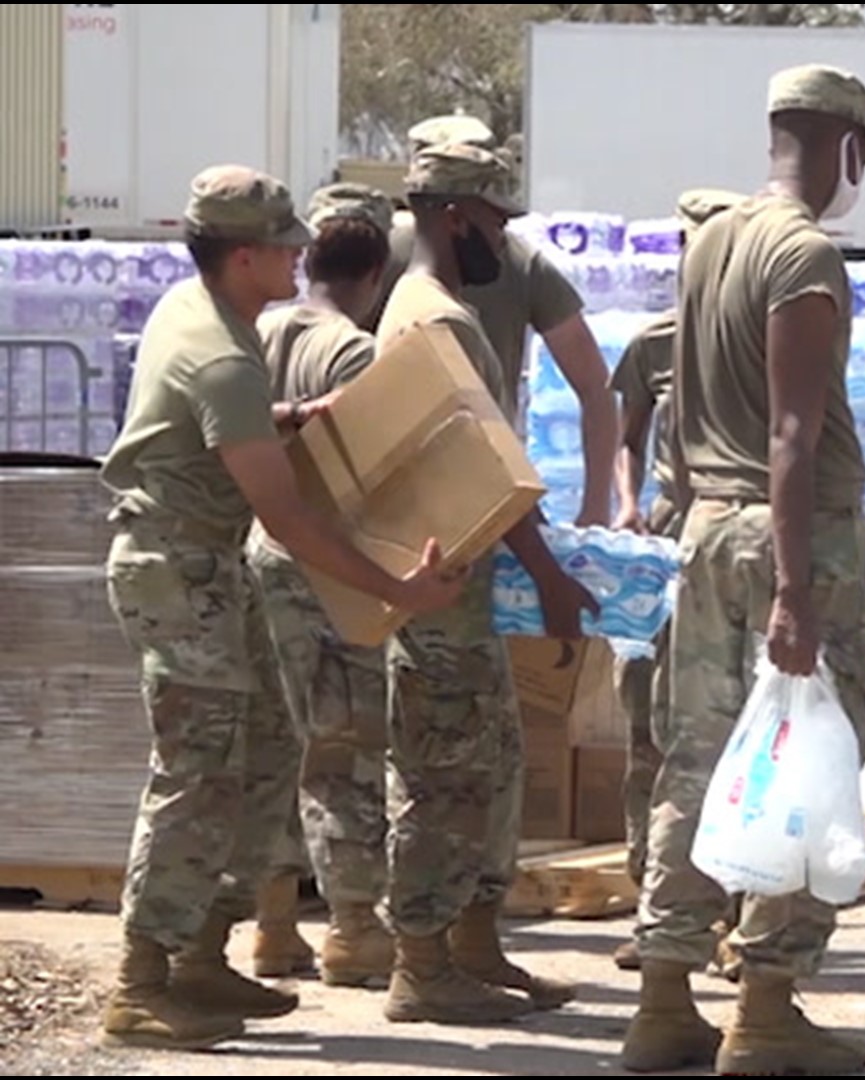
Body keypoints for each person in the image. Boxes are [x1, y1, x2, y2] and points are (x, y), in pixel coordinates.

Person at [98, 165, 467, 1051]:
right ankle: (141, 981)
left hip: (204, 567)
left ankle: (200, 956)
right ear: (244, 255)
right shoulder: (222, 352)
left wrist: (299, 412)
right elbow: (288, 520)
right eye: (284, 245)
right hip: (176, 572)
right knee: (197, 770)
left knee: (268, 744)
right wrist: (398, 590)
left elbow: (227, 430)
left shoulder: (208, 316)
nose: (300, 258)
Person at [620, 63, 865, 1076]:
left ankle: (663, 998)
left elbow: (686, 416)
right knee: (807, 764)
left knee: (696, 761)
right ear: (845, 146)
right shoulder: (803, 252)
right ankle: (767, 1006)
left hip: (706, 528)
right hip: (788, 535)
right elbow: (792, 432)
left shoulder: (713, 242)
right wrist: (794, 587)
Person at [376, 142, 598, 1025]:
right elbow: (484, 467)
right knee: (446, 775)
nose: (503, 241)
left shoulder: (431, 307)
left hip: (454, 578)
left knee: (491, 764)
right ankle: (421, 965)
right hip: (439, 581)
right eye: (495, 222)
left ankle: (472, 945)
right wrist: (548, 575)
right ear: (455, 216)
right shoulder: (437, 317)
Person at [242, 182, 403, 991]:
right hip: (323, 564)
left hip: (257, 554)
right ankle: (351, 928)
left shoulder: (261, 326)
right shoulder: (358, 352)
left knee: (279, 738)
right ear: (376, 268)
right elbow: (360, 477)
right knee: (341, 749)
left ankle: (274, 928)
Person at [606, 188, 749, 974]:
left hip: (732, 537)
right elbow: (629, 436)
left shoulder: (755, 335)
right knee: (648, 721)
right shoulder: (653, 342)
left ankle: (730, 913)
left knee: (730, 726)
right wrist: (628, 507)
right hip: (667, 537)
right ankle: (654, 900)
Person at [369, 113, 621, 531]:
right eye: (496, 218)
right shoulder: (440, 301)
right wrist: (590, 513)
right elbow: (596, 388)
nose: (499, 235)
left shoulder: (394, 260)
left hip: (455, 508)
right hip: (463, 512)